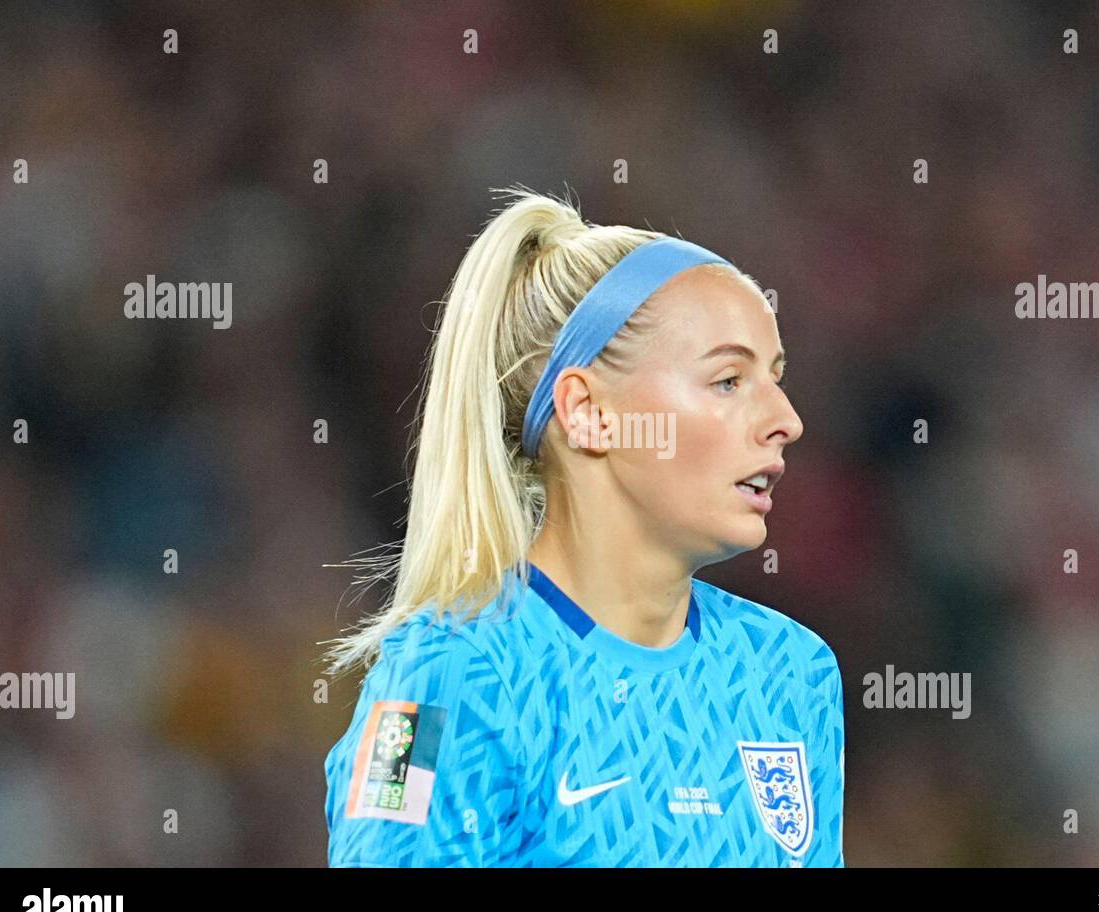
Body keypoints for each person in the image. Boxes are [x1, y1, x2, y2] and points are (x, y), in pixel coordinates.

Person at [322, 186, 845, 866]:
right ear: (590, 412)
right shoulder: (444, 679)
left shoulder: (790, 670)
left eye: (775, 377)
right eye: (727, 381)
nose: (786, 419)